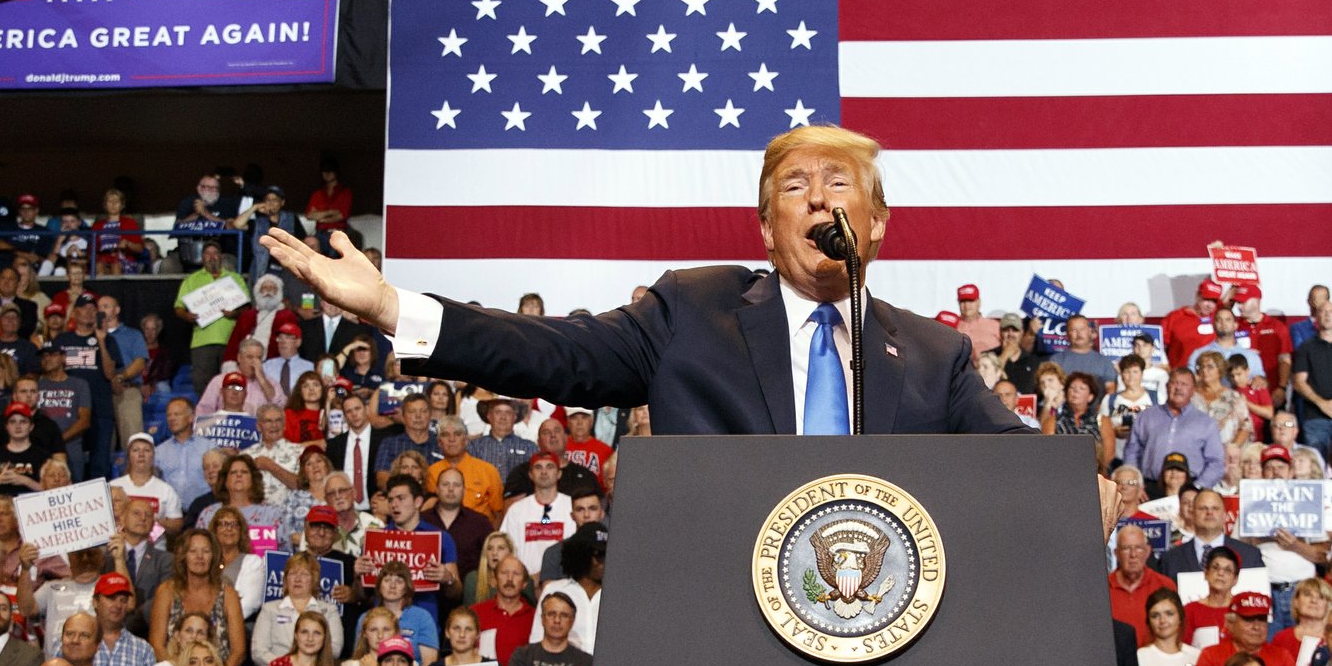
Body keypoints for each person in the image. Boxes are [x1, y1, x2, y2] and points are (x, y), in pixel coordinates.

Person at [262, 126, 1019, 435]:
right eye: (794, 188)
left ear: (878, 221)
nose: (818, 198)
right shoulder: (694, 311)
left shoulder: (932, 357)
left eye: (837, 183)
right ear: (764, 229)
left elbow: (1024, 471)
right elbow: (554, 352)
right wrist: (395, 306)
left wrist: (1082, 483)